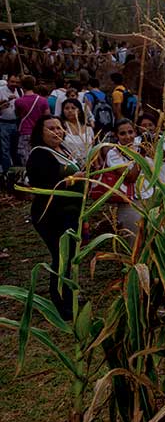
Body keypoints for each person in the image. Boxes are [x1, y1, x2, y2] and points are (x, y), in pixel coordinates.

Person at [26, 115, 83, 319]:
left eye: (59, 128)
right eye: (51, 129)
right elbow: (42, 186)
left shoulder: (64, 150)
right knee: (61, 257)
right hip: (51, 215)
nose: (57, 132)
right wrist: (71, 180)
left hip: (70, 212)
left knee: (69, 258)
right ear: (40, 133)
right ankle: (60, 303)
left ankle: (70, 295)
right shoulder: (39, 155)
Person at [104, 119, 143, 238]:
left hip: (150, 197)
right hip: (129, 201)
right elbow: (130, 177)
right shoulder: (113, 154)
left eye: (130, 132)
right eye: (122, 133)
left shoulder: (141, 145)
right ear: (116, 135)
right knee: (134, 238)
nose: (128, 136)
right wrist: (142, 156)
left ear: (135, 132)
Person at [15, 75, 50, 165]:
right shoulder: (43, 100)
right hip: (39, 132)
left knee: (25, 157)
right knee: (40, 156)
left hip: (25, 131)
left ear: (22, 86)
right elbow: (47, 116)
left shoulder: (18, 101)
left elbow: (18, 115)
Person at [60, 98, 94, 163]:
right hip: (70, 164)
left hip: (88, 165)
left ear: (79, 111)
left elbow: (93, 148)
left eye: (73, 108)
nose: (70, 111)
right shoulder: (61, 128)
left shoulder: (88, 129)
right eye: (66, 108)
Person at [0, 74, 22, 171]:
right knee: (4, 149)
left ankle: (17, 172)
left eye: (17, 82)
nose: (14, 84)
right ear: (7, 81)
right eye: (12, 82)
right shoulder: (1, 91)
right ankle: (6, 172)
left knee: (15, 149)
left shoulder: (20, 91)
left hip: (16, 123)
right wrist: (4, 104)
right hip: (3, 123)